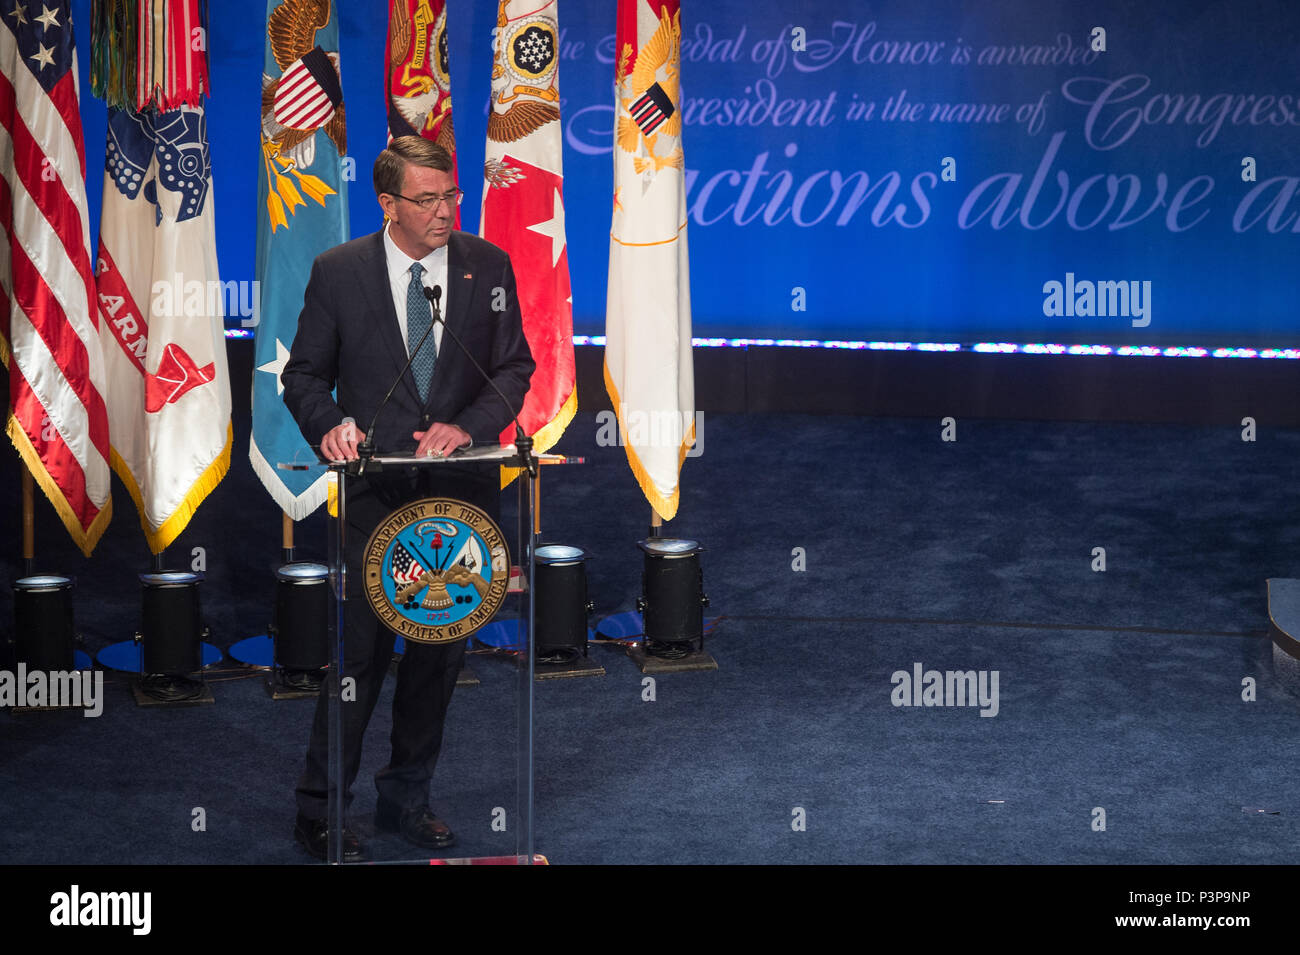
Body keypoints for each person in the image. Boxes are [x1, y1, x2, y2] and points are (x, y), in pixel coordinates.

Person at [281, 137, 535, 861]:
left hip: (458, 498)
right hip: (379, 491)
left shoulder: (489, 265)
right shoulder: (339, 273)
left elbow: (515, 366)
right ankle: (321, 810)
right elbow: (302, 377)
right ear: (387, 203)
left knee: (439, 654)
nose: (443, 211)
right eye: (426, 199)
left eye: (450, 196)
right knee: (360, 657)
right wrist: (331, 426)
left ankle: (407, 801)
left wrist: (469, 426)